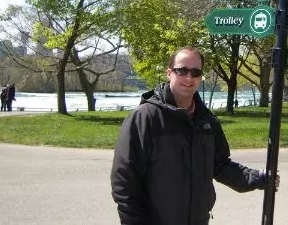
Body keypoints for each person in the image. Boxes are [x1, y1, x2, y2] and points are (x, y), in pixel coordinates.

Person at [111, 46, 279, 225]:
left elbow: (221, 166)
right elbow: (125, 184)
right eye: (182, 71)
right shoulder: (145, 118)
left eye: (195, 72)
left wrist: (259, 178)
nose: (189, 78)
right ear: (169, 73)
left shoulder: (206, 120)